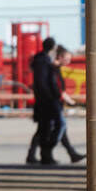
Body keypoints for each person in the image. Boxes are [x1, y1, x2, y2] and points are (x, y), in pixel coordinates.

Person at [26, 37, 61, 165]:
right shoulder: (43, 61)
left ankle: (35, 154)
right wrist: (50, 97)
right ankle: (45, 155)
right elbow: (43, 82)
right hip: (45, 101)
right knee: (48, 128)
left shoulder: (42, 60)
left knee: (43, 129)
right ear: (52, 47)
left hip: (43, 100)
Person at [50, 46, 85, 163]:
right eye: (67, 59)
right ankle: (47, 151)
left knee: (58, 129)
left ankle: (72, 154)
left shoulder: (56, 69)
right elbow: (59, 90)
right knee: (60, 127)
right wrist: (73, 103)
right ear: (60, 57)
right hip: (53, 105)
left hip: (55, 104)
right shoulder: (53, 70)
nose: (69, 62)